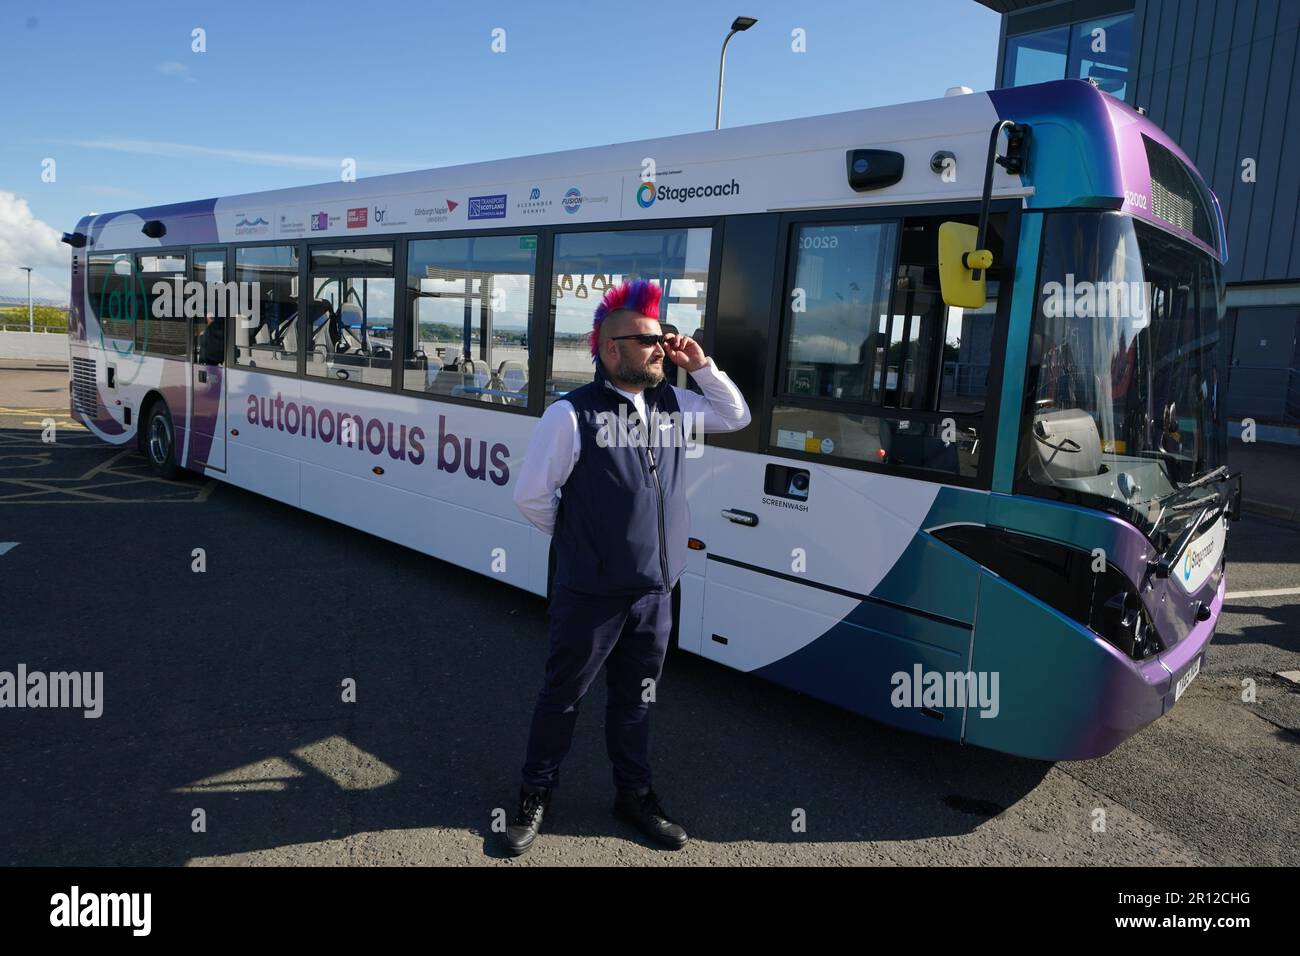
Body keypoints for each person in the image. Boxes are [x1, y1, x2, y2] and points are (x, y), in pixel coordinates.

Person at [506, 278, 751, 855]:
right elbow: (532, 498)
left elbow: (734, 415)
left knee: (637, 698)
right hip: (590, 591)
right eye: (648, 341)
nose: (662, 348)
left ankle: (634, 794)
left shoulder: (673, 402)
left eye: (663, 338)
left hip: (655, 592)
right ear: (610, 348)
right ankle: (535, 792)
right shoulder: (570, 415)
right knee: (562, 696)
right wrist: (585, 547)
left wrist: (703, 364)